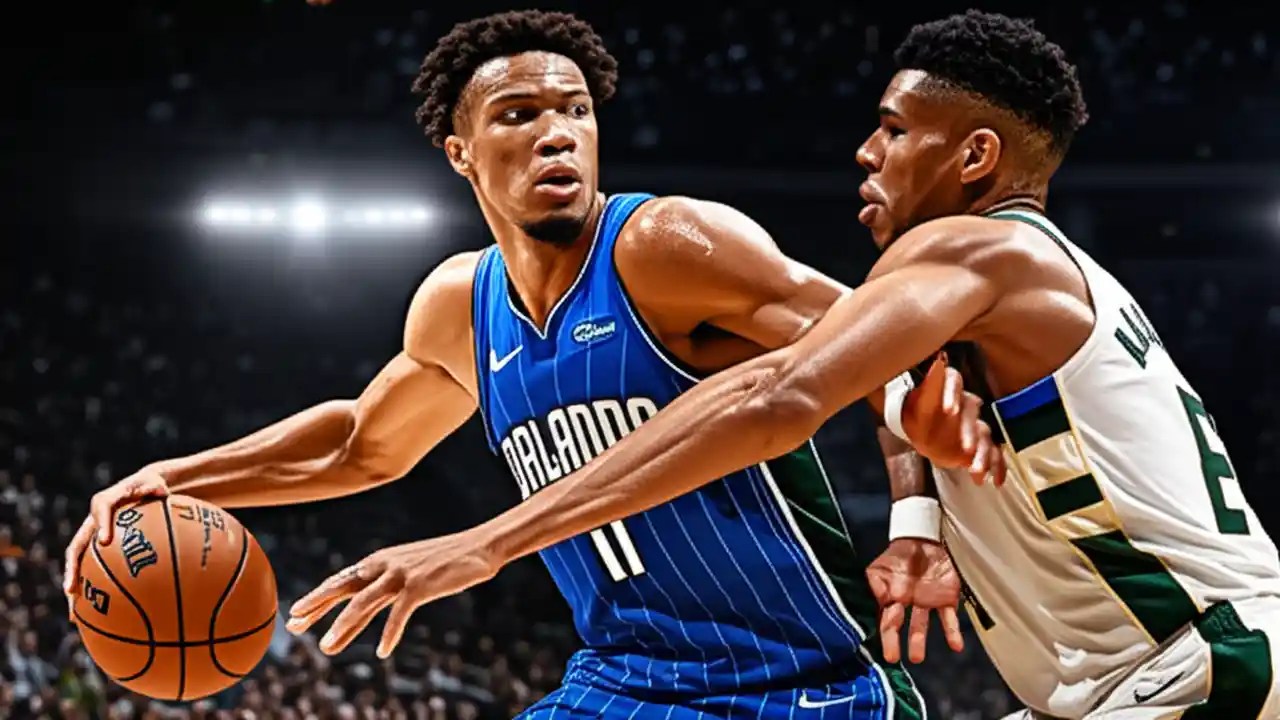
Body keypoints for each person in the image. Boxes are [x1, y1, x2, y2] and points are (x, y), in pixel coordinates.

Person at [293, 11, 1280, 720]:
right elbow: (904, 401)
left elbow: (776, 391)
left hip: (1195, 662)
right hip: (1136, 670)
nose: (864, 152)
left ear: (974, 157)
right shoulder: (1015, 278)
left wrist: (489, 542)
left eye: (893, 131)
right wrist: (919, 520)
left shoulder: (968, 251)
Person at [63, 10, 998, 719]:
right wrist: (178, 477)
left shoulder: (666, 245)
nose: (558, 133)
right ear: (461, 152)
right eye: (519, 115)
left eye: (576, 111)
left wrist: (915, 519)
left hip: (806, 682)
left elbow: (891, 344)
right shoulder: (458, 306)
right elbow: (361, 442)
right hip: (623, 682)